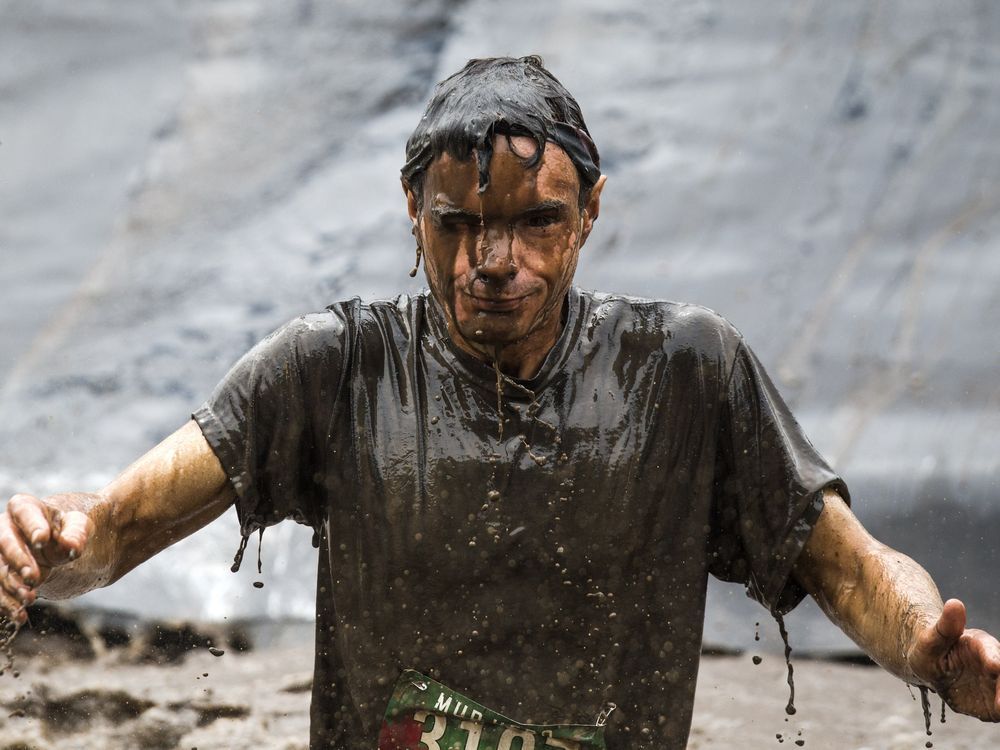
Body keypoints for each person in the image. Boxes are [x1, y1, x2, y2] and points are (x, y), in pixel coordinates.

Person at [0, 56, 997, 749]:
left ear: (591, 212)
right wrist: (52, 543)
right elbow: (120, 526)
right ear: (412, 212)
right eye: (458, 226)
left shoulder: (686, 373)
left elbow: (849, 570)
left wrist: (924, 648)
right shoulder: (333, 369)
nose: (492, 263)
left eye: (535, 223)